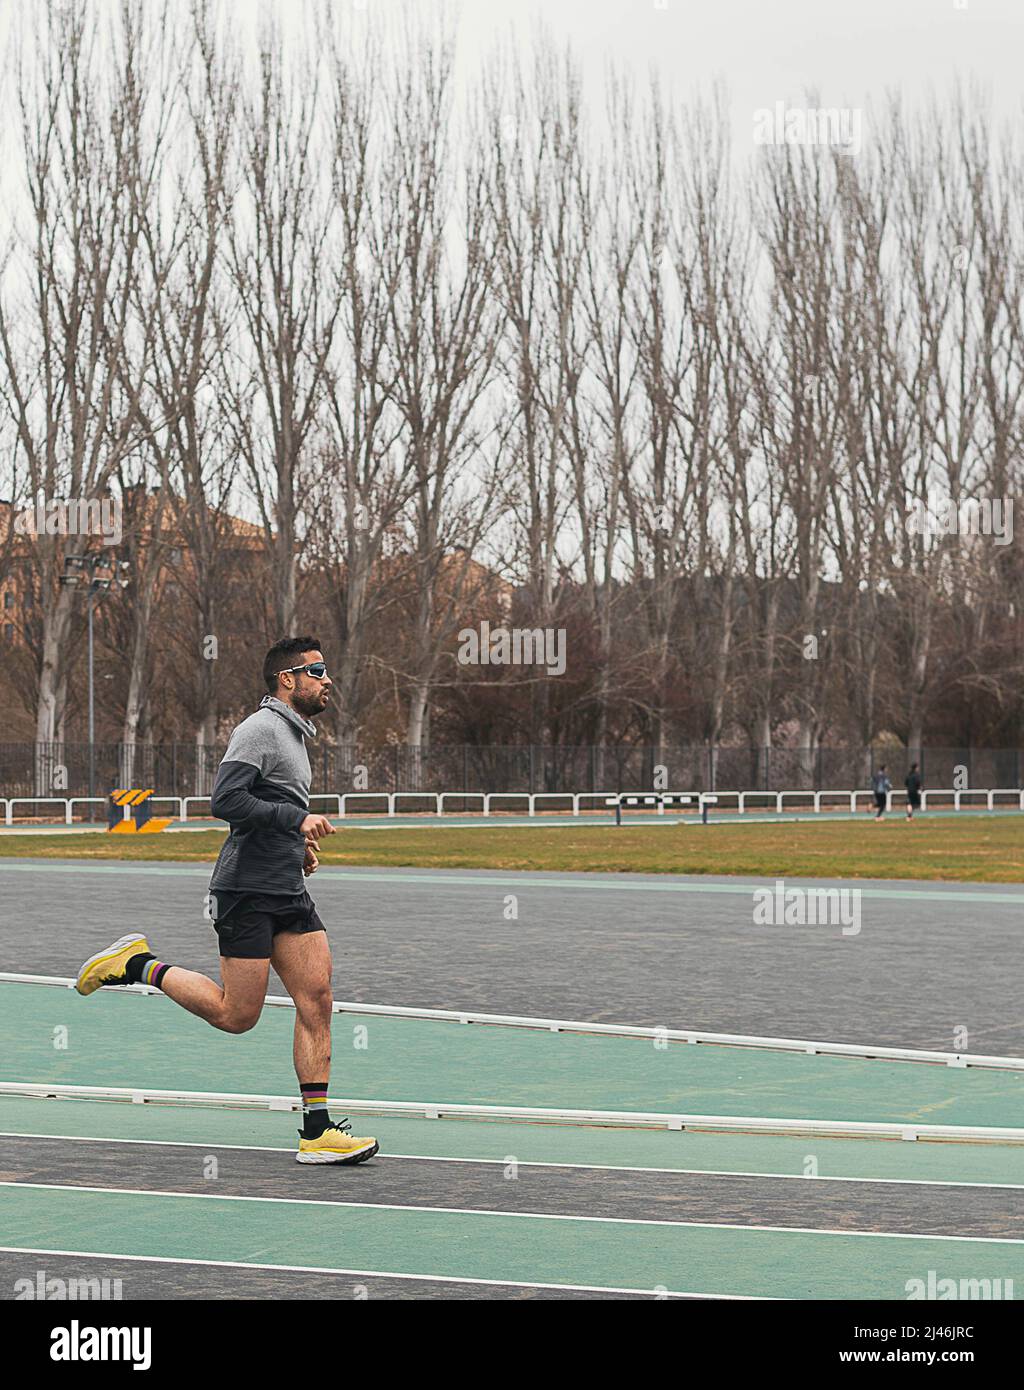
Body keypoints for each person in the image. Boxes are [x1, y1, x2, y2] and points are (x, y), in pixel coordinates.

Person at [74, 636, 378, 1166]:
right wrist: (296, 820)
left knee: (318, 998)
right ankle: (137, 964)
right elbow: (227, 800)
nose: (327, 680)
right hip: (245, 893)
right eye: (317, 671)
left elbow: (270, 807)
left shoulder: (294, 737)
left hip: (287, 889)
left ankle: (317, 1131)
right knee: (237, 1015)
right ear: (288, 679)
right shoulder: (259, 728)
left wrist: (297, 847)